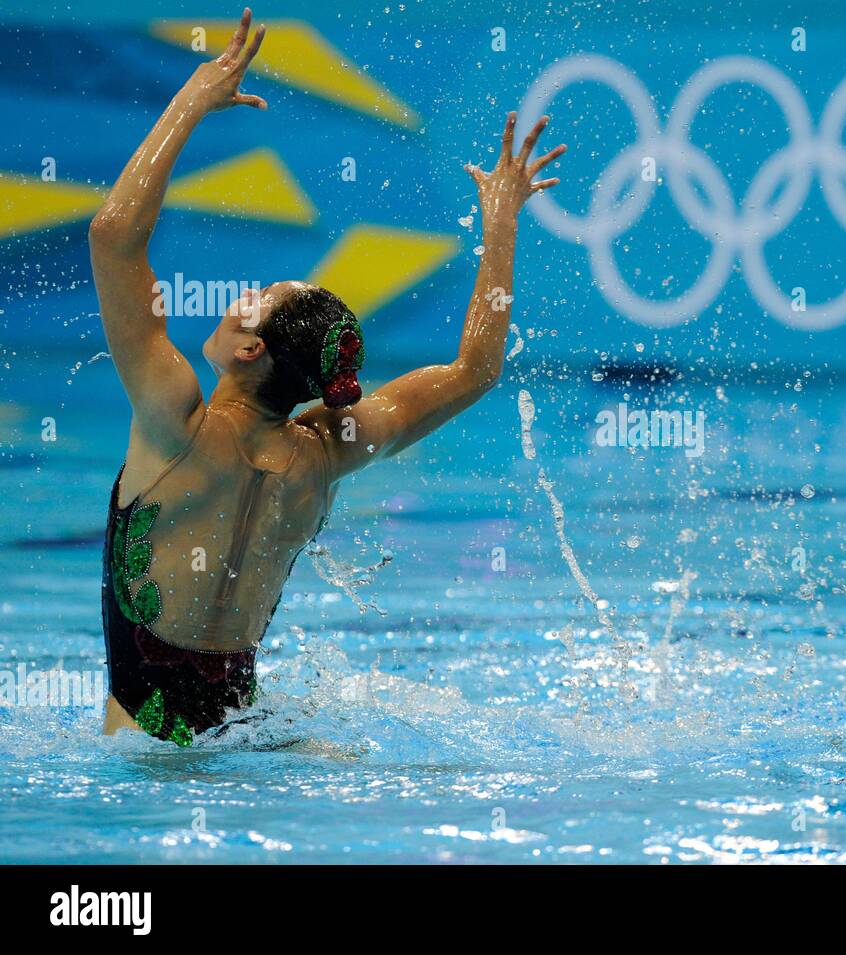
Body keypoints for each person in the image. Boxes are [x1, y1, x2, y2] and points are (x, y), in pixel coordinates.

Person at [90, 8, 563, 744]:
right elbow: (476, 369)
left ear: (252, 351)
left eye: (253, 301)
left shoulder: (174, 423)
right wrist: (501, 223)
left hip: (143, 763)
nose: (238, 299)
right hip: (249, 741)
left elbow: (113, 234)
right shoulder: (326, 453)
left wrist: (192, 100)